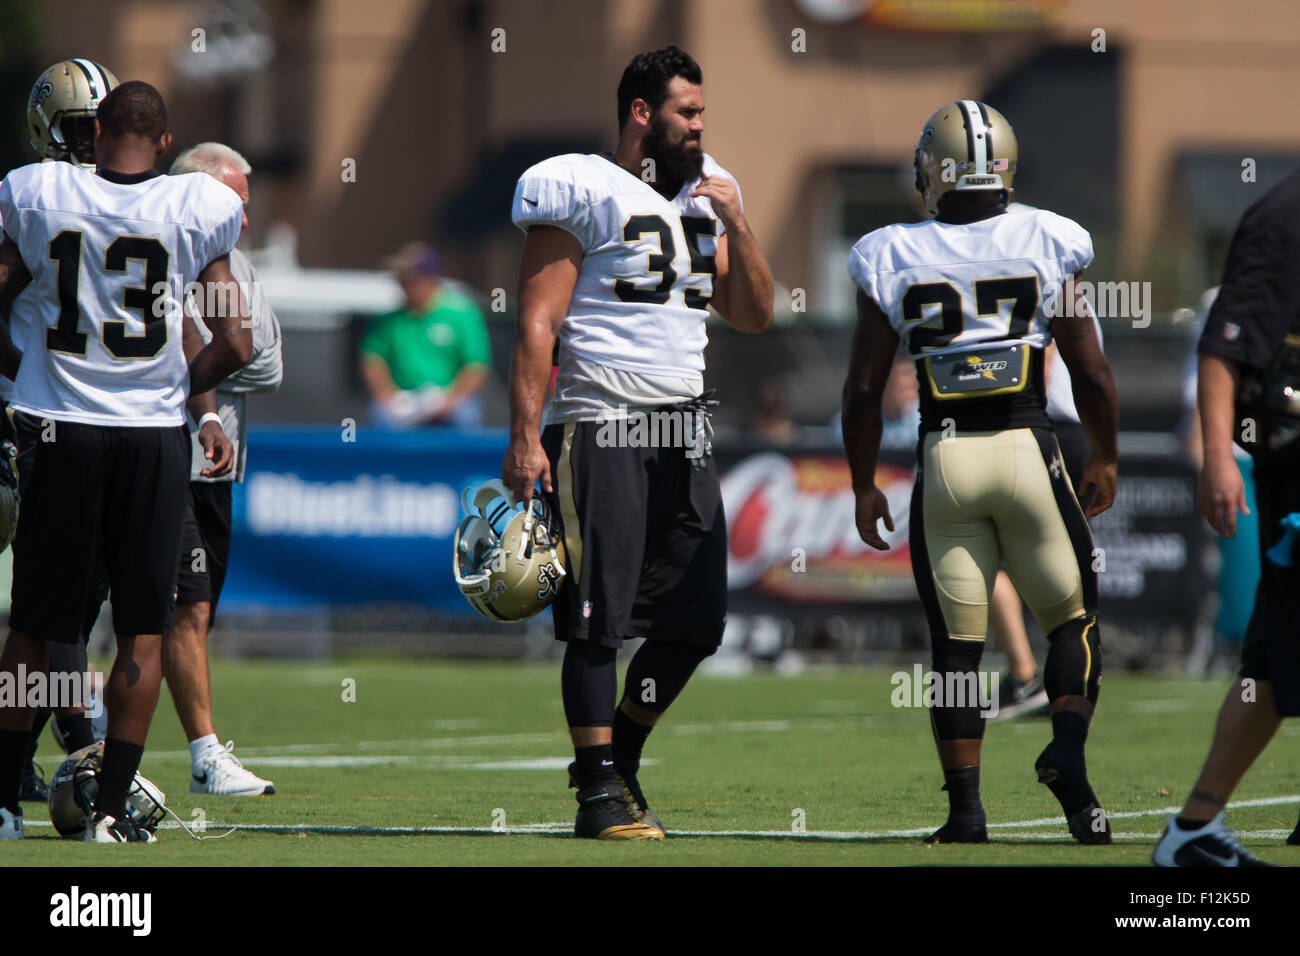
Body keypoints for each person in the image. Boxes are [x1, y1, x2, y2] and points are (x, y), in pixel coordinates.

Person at [502, 46, 773, 840]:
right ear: (641, 114)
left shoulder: (707, 193)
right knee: (597, 621)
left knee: (697, 623)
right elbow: (536, 322)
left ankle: (618, 754)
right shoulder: (581, 186)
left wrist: (738, 224)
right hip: (602, 424)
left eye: (702, 115)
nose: (699, 129)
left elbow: (753, 313)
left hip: (683, 428)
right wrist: (524, 438)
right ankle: (597, 798)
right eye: (687, 113)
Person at [842, 101, 1119, 845]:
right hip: (1028, 447)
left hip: (946, 459)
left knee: (957, 651)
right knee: (1072, 619)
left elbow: (864, 391)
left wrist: (864, 481)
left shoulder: (890, 250)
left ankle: (966, 813)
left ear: (932, 170)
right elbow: (1090, 372)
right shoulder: (1045, 237)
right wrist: (1108, 453)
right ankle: (1066, 753)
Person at [0, 80, 251, 842]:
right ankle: (110, 811)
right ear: (167, 145)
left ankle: (4, 803)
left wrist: (22, 371)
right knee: (143, 628)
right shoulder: (196, 209)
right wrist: (181, 390)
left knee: (36, 626)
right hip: (148, 438)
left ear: (95, 127)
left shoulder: (38, 194)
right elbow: (237, 342)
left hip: (59, 430)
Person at [1151, 166, 1300, 867]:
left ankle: (1194, 830)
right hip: (1293, 466)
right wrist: (1217, 453)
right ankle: (1191, 830)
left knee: (1271, 658)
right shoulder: (1284, 216)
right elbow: (1225, 344)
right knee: (1271, 653)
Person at [4, 59, 121, 806]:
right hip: (35, 424)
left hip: (102, 427)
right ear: (50, 132)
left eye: (102, 130)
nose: (93, 144)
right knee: (51, 608)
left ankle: (46, 755)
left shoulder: (127, 198)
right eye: (82, 129)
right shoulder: (30, 197)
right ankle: (79, 745)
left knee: (75, 605)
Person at [167, 142, 282, 797]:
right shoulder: (173, 253)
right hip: (156, 455)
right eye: (233, 203)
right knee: (165, 610)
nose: (243, 217)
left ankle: (92, 738)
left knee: (192, 611)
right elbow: (243, 350)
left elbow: (269, 363)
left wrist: (214, 393)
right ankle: (198, 755)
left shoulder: (235, 264)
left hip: (211, 463)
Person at [360, 243, 491, 427]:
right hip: (403, 399)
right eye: (401, 281)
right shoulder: (388, 321)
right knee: (380, 416)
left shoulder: (462, 314)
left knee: (466, 416)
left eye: (410, 280)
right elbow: (372, 359)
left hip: (449, 398)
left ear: (429, 279)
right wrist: (389, 396)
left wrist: (449, 400)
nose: (404, 287)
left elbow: (476, 366)